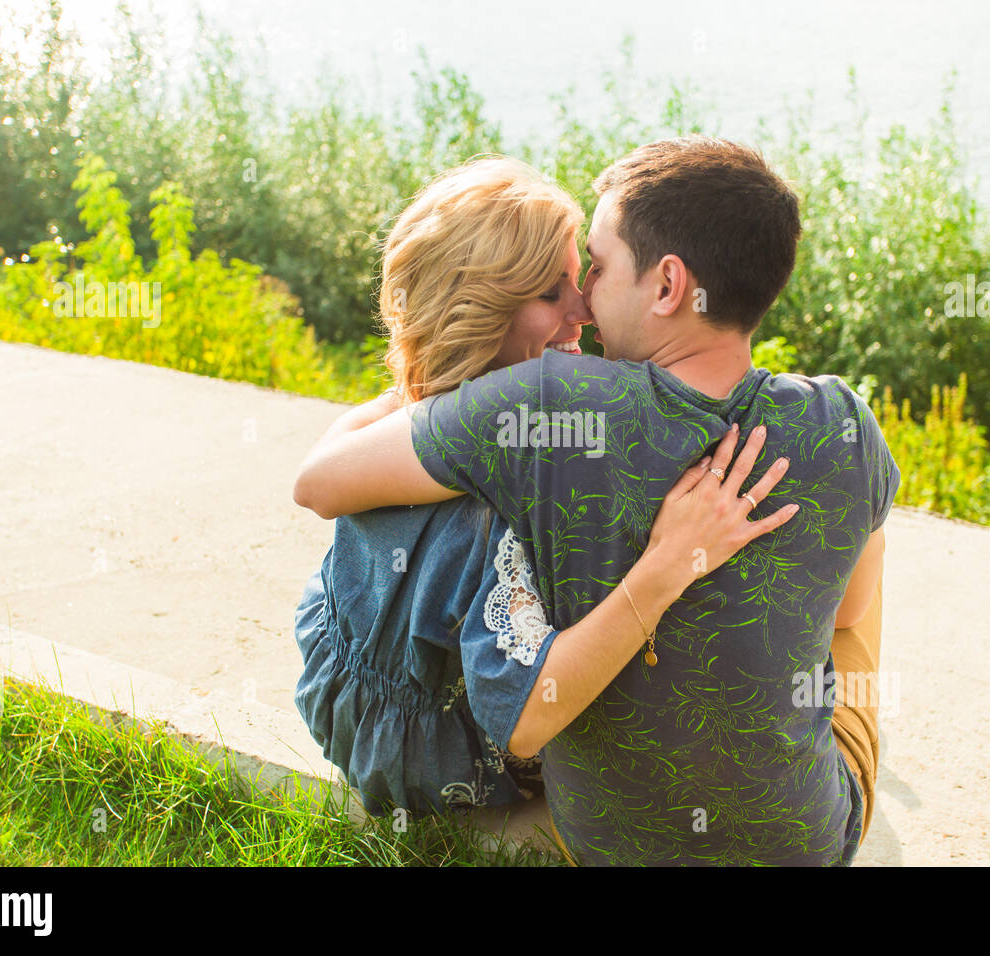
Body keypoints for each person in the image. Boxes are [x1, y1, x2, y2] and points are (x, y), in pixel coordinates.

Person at [293, 136, 901, 866]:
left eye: (597, 267)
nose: (584, 298)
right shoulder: (844, 420)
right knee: (857, 555)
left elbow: (320, 480)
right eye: (568, 282)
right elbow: (849, 613)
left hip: (586, 831)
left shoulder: (541, 408)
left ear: (668, 284)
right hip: (806, 846)